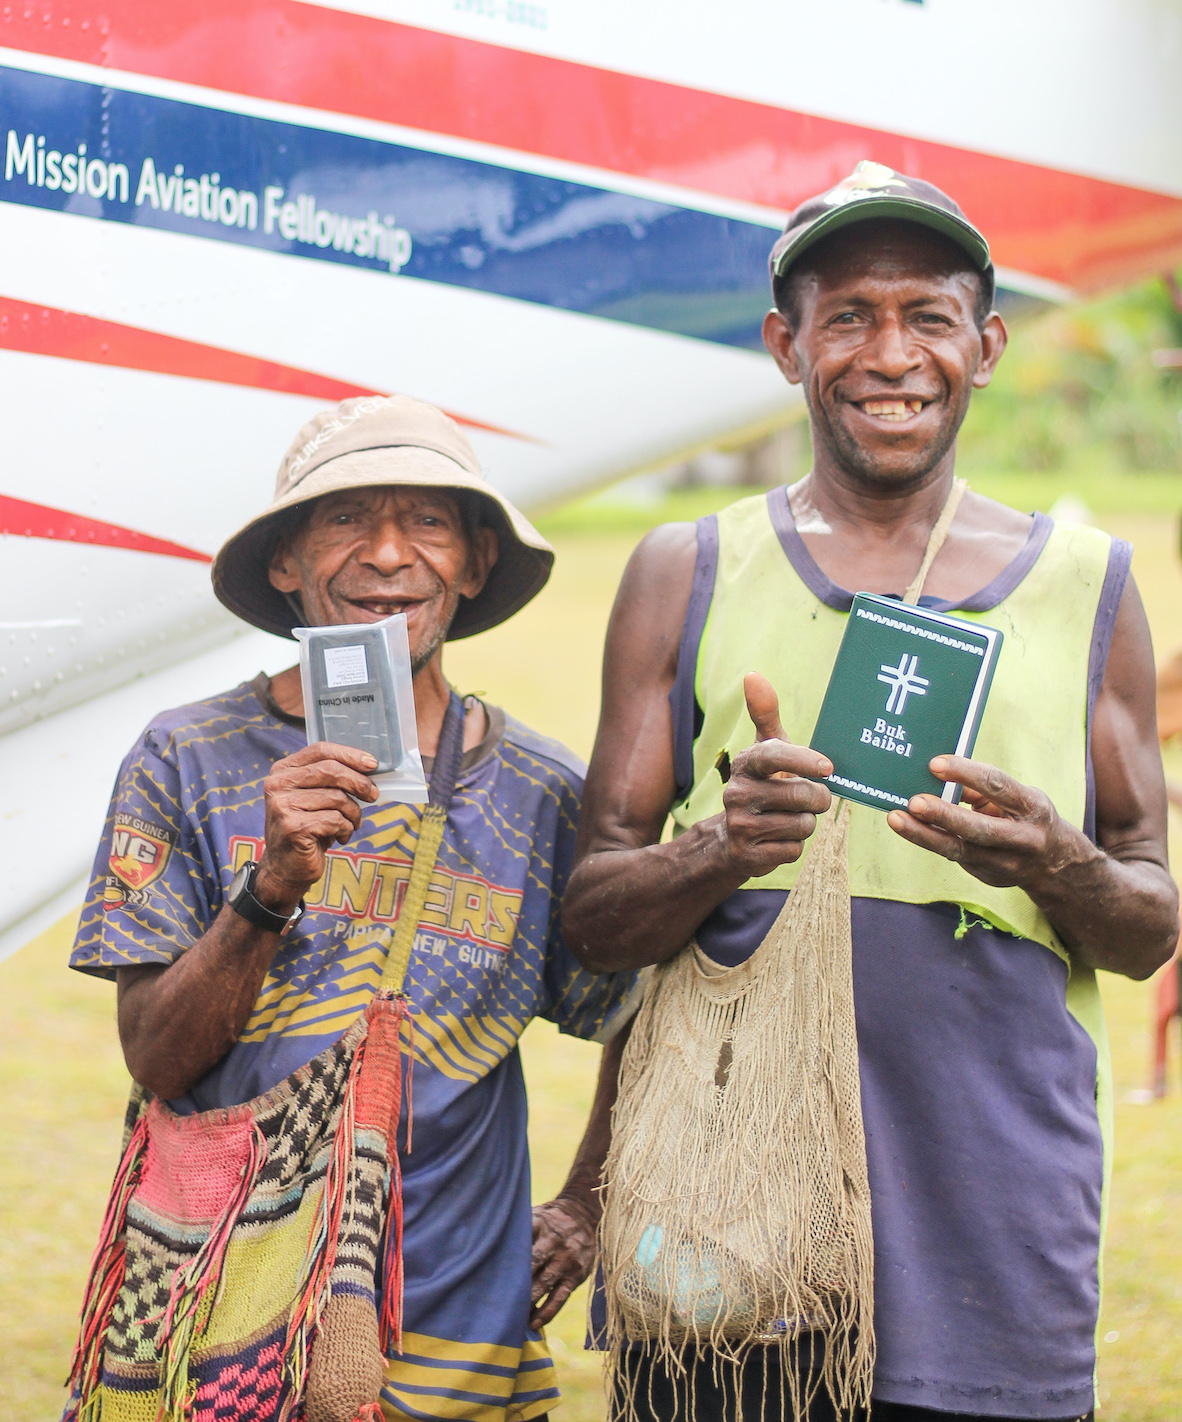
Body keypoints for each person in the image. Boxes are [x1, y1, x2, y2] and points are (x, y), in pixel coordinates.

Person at [561, 164, 1179, 1422]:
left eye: (928, 317)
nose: (890, 354)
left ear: (985, 347)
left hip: (993, 1215)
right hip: (729, 1213)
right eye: (847, 316)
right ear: (786, 345)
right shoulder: (686, 570)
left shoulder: (1089, 585)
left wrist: (1052, 860)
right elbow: (594, 917)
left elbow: (1147, 927)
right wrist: (719, 849)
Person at [70, 395, 636, 1422]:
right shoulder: (188, 758)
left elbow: (638, 1009)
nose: (386, 553)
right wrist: (269, 890)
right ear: (287, 561)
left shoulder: (541, 792)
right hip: (214, 1297)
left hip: (453, 1306)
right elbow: (156, 1056)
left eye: (427, 521)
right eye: (344, 519)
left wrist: (587, 1203)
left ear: (475, 562)